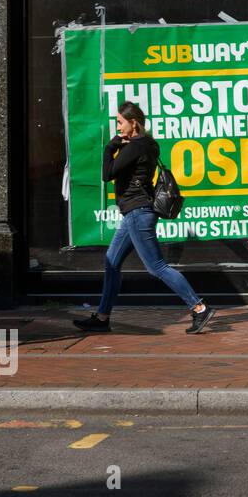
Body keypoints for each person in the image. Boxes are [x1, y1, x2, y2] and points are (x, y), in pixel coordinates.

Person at [74, 101, 216, 334]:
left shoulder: (135, 146)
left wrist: (110, 147)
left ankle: (199, 308)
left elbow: (107, 173)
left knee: (156, 266)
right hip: (135, 213)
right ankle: (102, 318)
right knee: (112, 262)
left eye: (120, 122)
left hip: (138, 213)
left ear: (134, 123)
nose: (118, 127)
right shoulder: (148, 144)